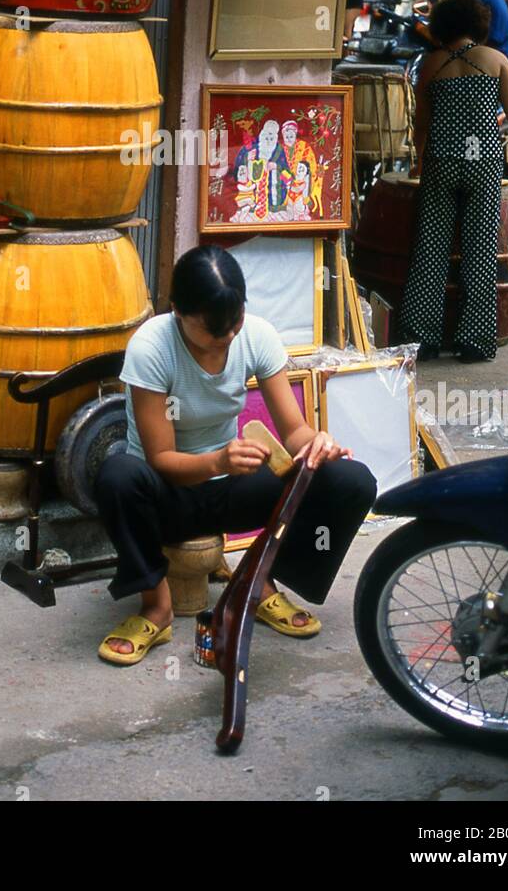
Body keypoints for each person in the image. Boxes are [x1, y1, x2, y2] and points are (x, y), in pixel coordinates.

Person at [94, 246, 377, 664]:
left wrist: (319, 443)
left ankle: (259, 580)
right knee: (117, 476)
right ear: (177, 311)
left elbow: (294, 431)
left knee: (351, 480)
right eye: (212, 331)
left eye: (234, 324)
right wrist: (218, 462)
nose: (226, 338)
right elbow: (160, 459)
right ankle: (156, 604)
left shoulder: (257, 335)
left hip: (231, 490)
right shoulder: (151, 347)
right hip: (166, 495)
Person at [399, 0, 508, 364]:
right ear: (479, 24)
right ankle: (474, 341)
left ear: (444, 24)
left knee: (431, 249)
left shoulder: (430, 65)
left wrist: (419, 161)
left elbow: (422, 125)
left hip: (441, 163)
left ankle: (421, 338)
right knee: (480, 252)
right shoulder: (496, 61)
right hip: (484, 164)